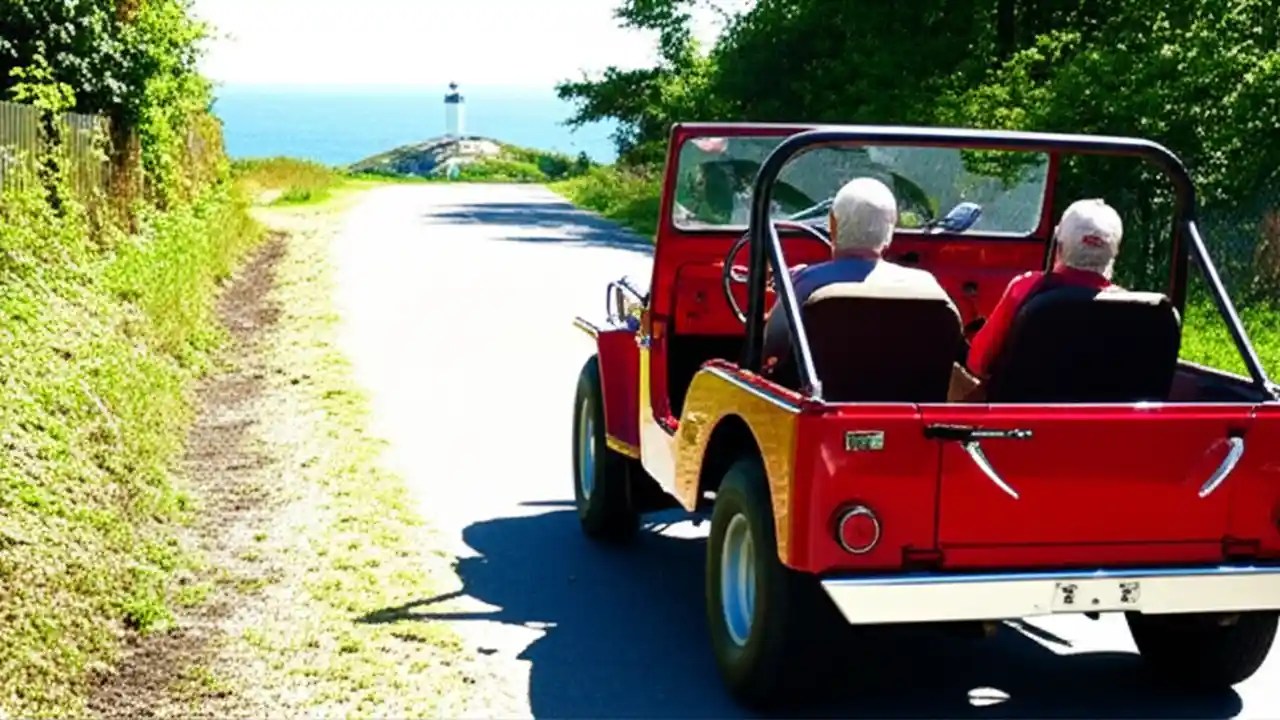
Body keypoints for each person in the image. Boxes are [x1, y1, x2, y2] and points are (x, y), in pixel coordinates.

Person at [762, 176, 952, 370]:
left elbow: (771, 353)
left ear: (833, 225)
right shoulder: (927, 287)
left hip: (821, 397)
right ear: (890, 230)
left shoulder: (805, 283)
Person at [966, 198, 1124, 379]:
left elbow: (978, 363)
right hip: (1104, 407)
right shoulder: (1134, 309)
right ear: (1114, 253)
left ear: (1059, 244)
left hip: (1022, 406)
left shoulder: (1025, 288)